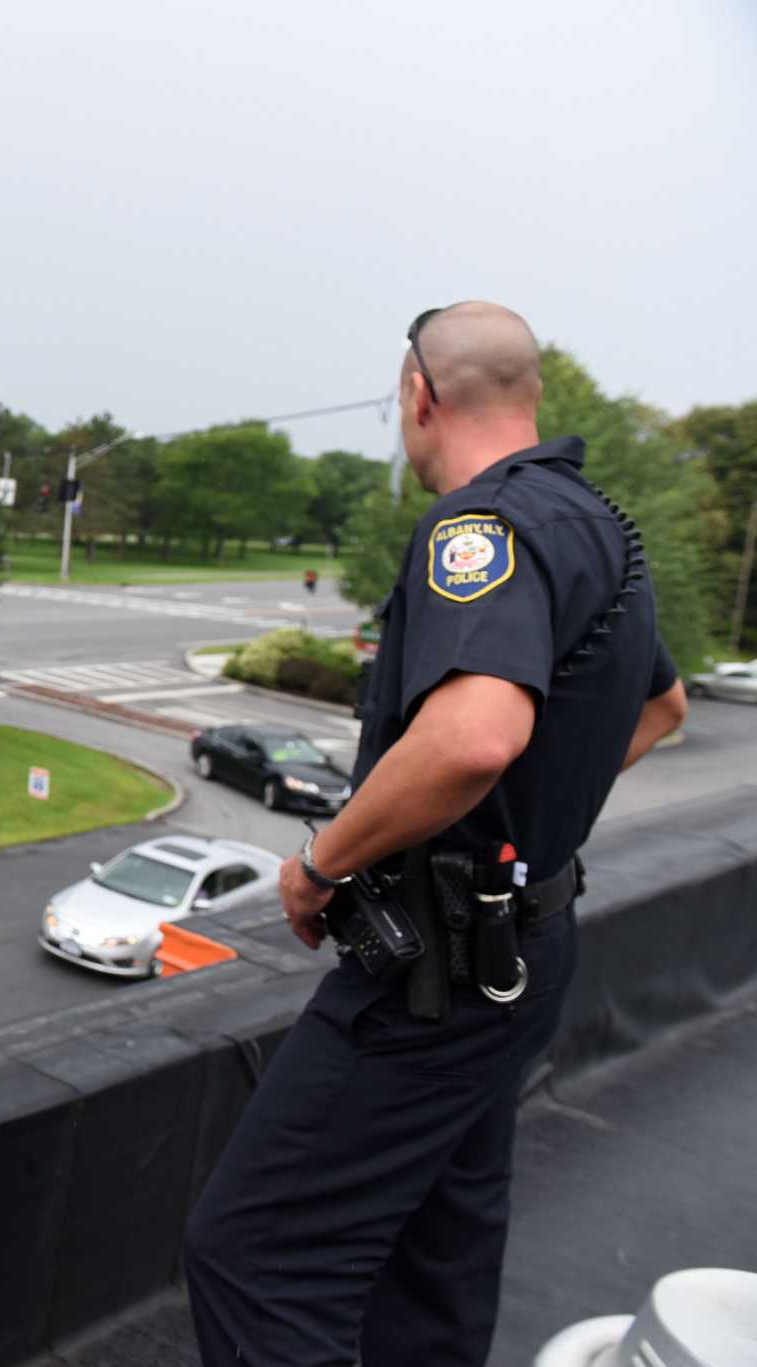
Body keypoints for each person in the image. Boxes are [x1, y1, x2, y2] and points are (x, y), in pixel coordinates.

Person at [182, 302, 688, 1366]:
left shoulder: (480, 529)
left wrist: (322, 861)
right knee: (434, 1253)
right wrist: (525, 823)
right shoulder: (602, 528)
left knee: (255, 1255)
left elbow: (470, 737)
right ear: (529, 394)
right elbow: (659, 708)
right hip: (521, 946)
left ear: (418, 394)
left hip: (436, 968)